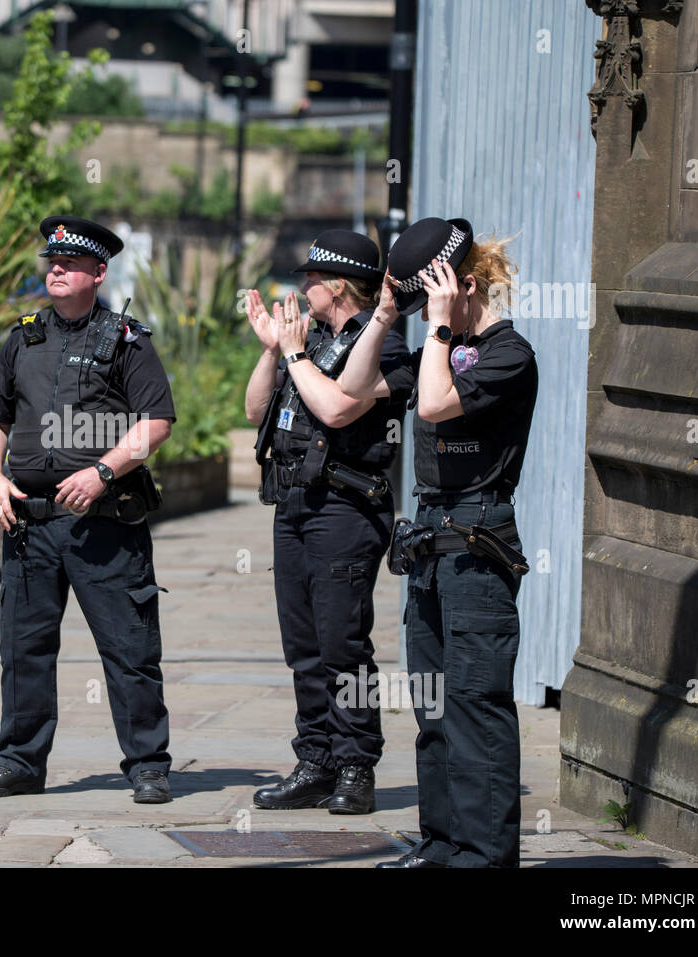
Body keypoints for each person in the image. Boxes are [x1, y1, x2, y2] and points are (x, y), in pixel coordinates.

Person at [338, 217, 537, 867]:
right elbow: (354, 388)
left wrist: (442, 330)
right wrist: (388, 317)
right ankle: (444, 841)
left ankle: (486, 852)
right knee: (433, 708)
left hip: (478, 540)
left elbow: (432, 405)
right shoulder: (434, 345)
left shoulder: (507, 353)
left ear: (464, 285)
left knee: (476, 705)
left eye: (433, 297)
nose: (428, 313)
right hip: (428, 541)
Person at [0, 216, 177, 804]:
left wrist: (103, 470)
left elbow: (156, 421)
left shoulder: (126, 338)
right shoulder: (23, 338)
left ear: (98, 273)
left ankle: (147, 764)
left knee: (129, 649)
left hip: (103, 522)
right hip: (29, 522)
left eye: (69, 263)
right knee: (24, 649)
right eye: (51, 261)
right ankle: (19, 762)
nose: (54, 269)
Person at [242, 230, 411, 814]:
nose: (302, 288)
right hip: (294, 504)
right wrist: (273, 350)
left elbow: (338, 406)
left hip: (345, 508)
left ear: (338, 283)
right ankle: (314, 760)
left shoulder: (382, 345)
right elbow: (256, 410)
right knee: (304, 646)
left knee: (343, 644)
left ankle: (355, 766)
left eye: (310, 278)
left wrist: (293, 355)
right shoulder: (307, 340)